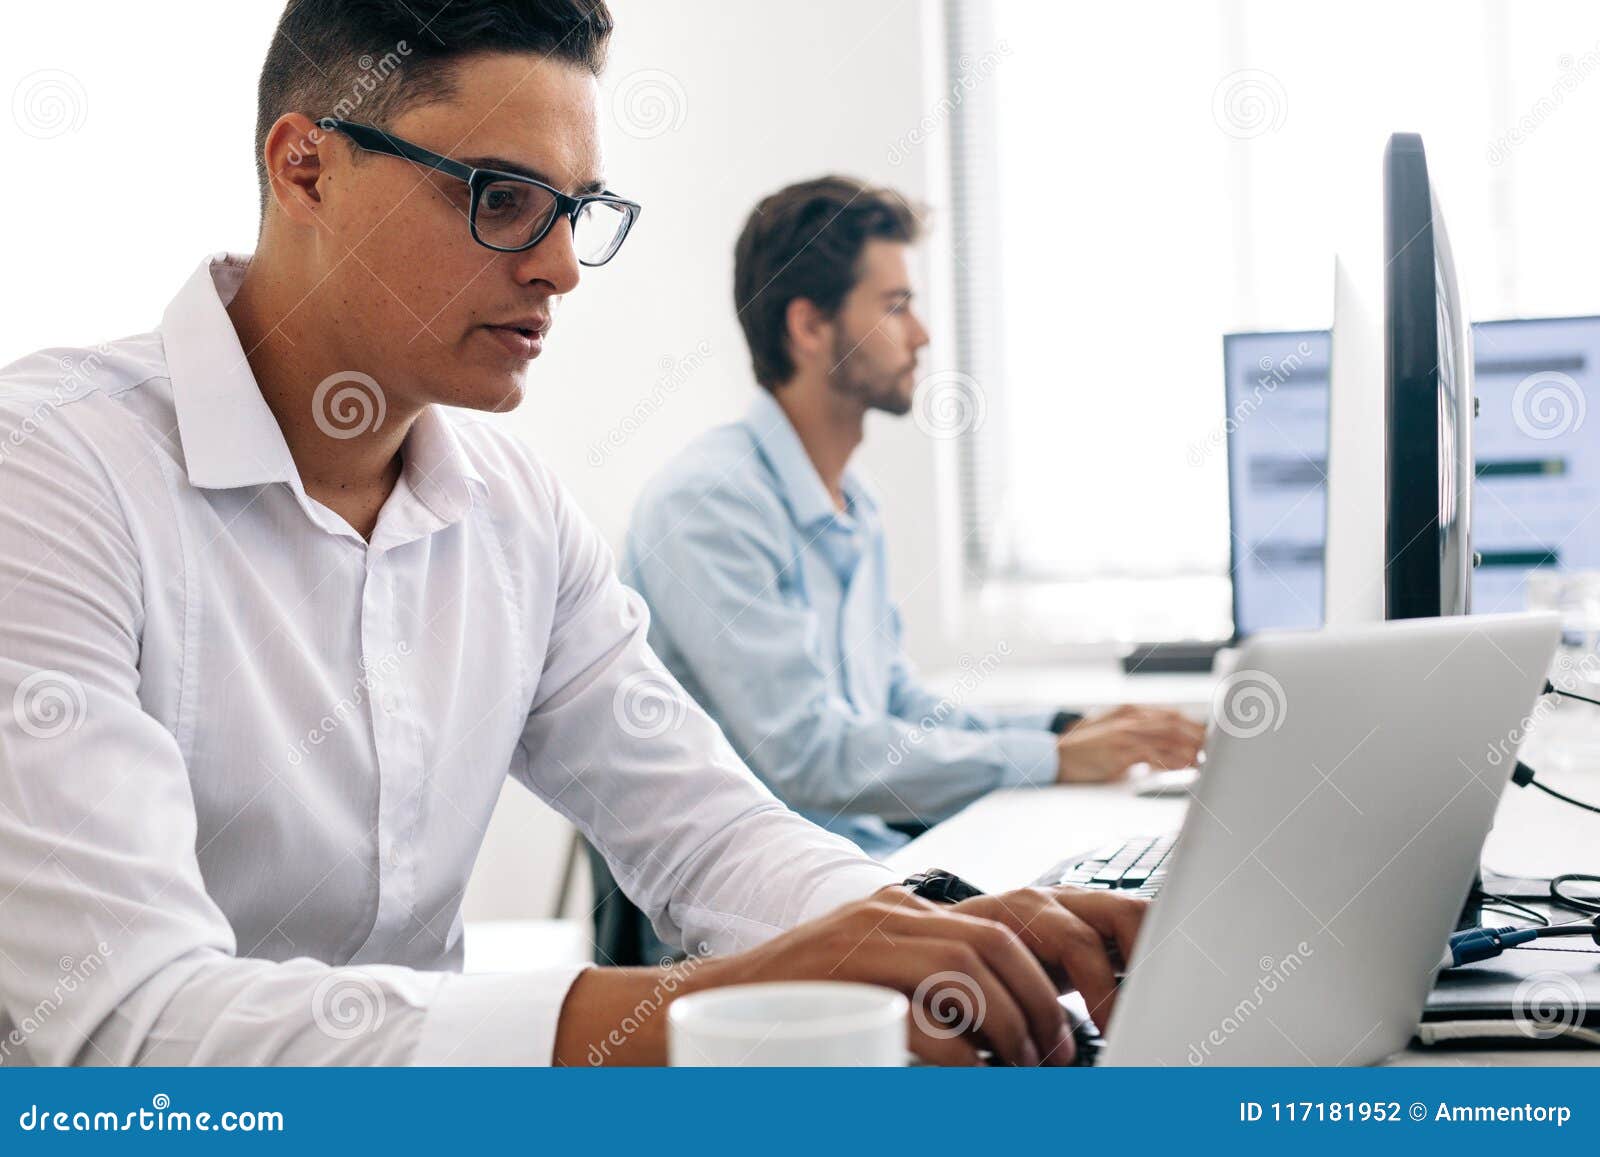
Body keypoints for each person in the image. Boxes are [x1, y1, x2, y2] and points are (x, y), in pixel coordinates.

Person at [0, 0, 1142, 1068]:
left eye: (577, 211)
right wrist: (701, 1002)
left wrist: (942, 933)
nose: (556, 268)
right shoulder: (50, 473)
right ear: (307, 167)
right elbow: (129, 1027)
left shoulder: (514, 508)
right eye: (499, 196)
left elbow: (707, 828)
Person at [624, 176, 1206, 857]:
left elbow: (897, 704)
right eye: (896, 306)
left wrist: (1064, 728)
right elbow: (810, 754)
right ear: (810, 325)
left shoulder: (852, 501)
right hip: (742, 919)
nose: (922, 335)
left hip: (856, 862)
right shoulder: (709, 506)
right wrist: (1050, 759)